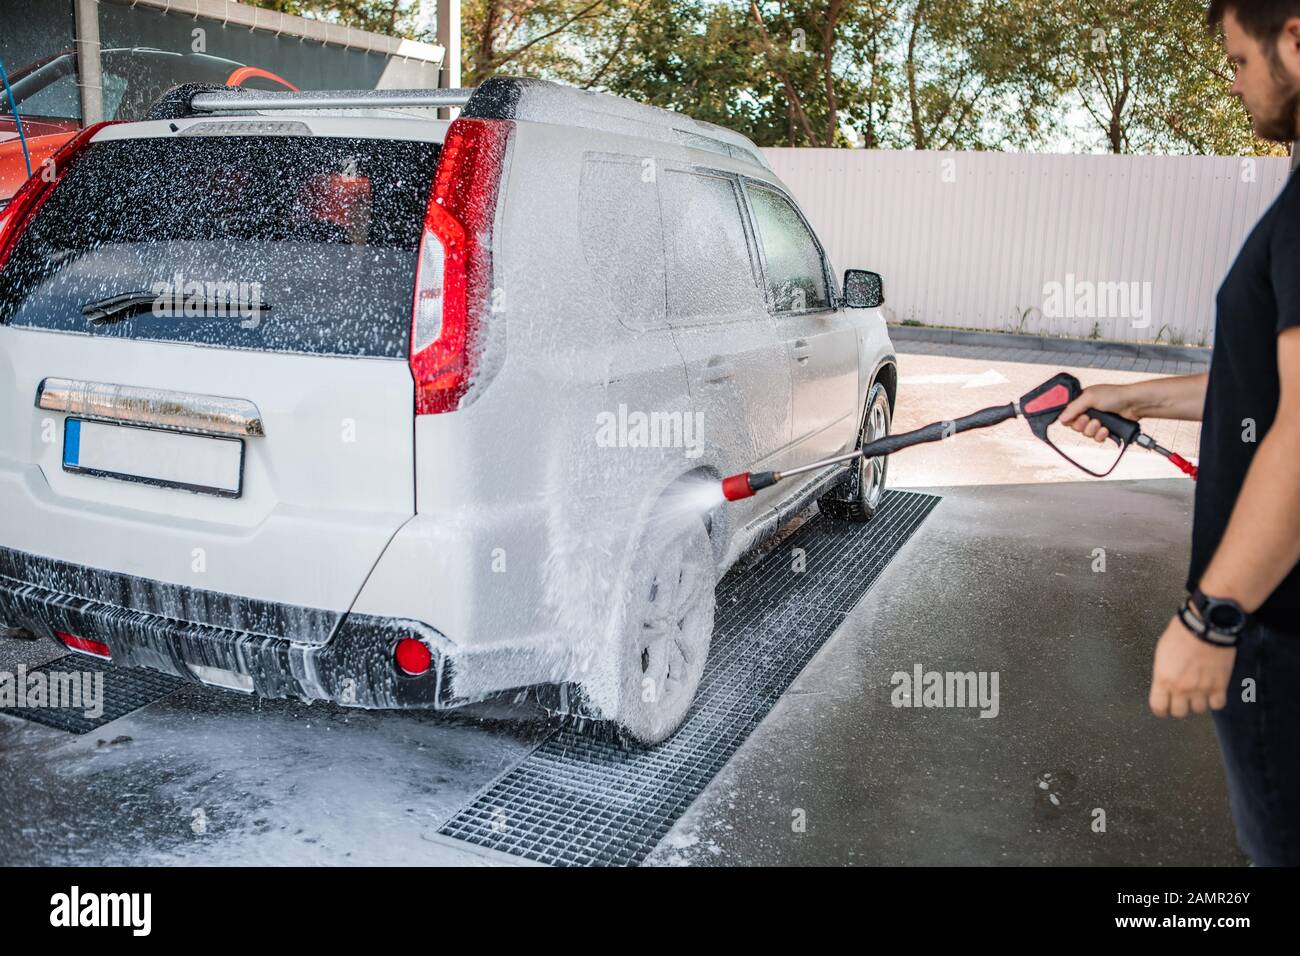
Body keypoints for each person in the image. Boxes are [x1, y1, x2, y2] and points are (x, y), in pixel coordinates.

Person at [1060, 0, 1300, 865]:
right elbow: (1266, 391)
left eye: (1238, 60)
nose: (1233, 84)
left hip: (1280, 634)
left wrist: (1211, 619)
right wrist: (1138, 398)